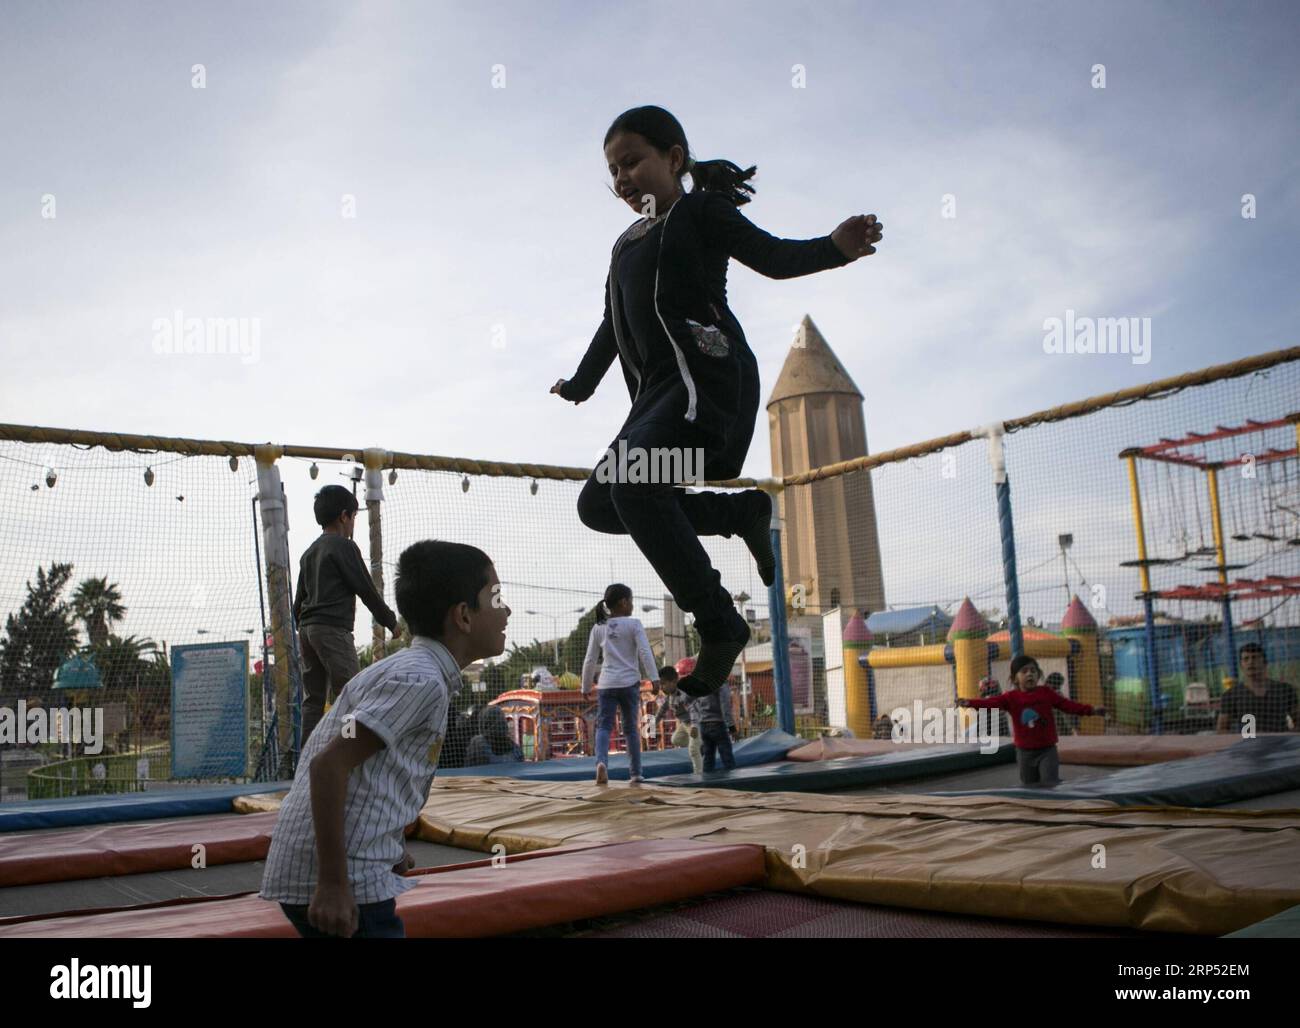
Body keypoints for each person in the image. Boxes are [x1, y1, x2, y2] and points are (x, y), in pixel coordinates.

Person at [551, 105, 883, 699]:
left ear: (674, 158)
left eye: (633, 161)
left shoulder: (701, 210)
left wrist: (835, 247)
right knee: (602, 504)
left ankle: (719, 622)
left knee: (630, 483)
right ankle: (738, 515)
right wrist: (582, 382)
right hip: (656, 400)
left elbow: (775, 257)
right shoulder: (625, 244)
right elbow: (611, 324)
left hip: (708, 383)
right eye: (613, 170)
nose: (622, 178)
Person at [261, 541, 511, 937]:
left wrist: (389, 846)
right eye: (496, 598)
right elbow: (328, 765)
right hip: (343, 877)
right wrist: (333, 883)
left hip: (350, 865)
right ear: (463, 616)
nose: (507, 610)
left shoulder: (417, 672)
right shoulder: (421, 680)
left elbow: (379, 776)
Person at [292, 485, 402, 744]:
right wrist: (391, 622)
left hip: (308, 629)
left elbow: (298, 601)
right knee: (352, 692)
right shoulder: (344, 547)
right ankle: (347, 753)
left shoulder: (310, 552)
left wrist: (304, 626)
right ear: (344, 516)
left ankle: (307, 759)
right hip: (331, 629)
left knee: (314, 698)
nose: (353, 524)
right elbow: (366, 589)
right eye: (354, 517)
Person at [958, 656, 1105, 787]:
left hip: (1047, 750)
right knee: (1029, 786)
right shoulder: (1011, 697)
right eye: (1024, 671)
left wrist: (1091, 710)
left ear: (1038, 675)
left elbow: (1069, 706)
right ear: (1015, 678)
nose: (1030, 674)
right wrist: (970, 703)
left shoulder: (1046, 693)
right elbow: (990, 703)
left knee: (1050, 783)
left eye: (1033, 671)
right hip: (1024, 753)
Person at [581, 584, 660, 784]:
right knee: (631, 728)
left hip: (606, 684)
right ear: (624, 602)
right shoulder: (634, 624)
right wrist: (654, 677)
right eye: (631, 601)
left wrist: (586, 685)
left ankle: (601, 763)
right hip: (629, 683)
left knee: (604, 726)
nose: (632, 605)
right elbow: (644, 652)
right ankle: (635, 773)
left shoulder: (599, 627)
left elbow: (590, 659)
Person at [1216, 643, 1299, 734]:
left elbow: (1298, 720)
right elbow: (1222, 729)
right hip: (1248, 746)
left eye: (1255, 657)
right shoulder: (1231, 695)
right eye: (1246, 659)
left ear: (1265, 663)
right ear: (1241, 665)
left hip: (1280, 745)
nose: (1250, 662)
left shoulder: (1284, 689)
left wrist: (1288, 737)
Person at [655, 663, 702, 773]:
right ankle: (699, 744)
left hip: (695, 722)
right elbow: (661, 711)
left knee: (693, 750)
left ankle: (699, 773)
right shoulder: (670, 697)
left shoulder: (683, 695)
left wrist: (694, 726)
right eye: (660, 685)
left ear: (674, 682)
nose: (661, 687)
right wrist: (653, 723)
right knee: (676, 739)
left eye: (663, 684)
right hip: (685, 723)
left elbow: (693, 709)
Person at [695, 680, 738, 772]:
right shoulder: (720, 683)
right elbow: (725, 706)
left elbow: (696, 705)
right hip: (717, 724)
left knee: (708, 758)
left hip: (703, 724)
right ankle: (733, 783)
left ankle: (706, 783)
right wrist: (731, 726)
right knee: (727, 757)